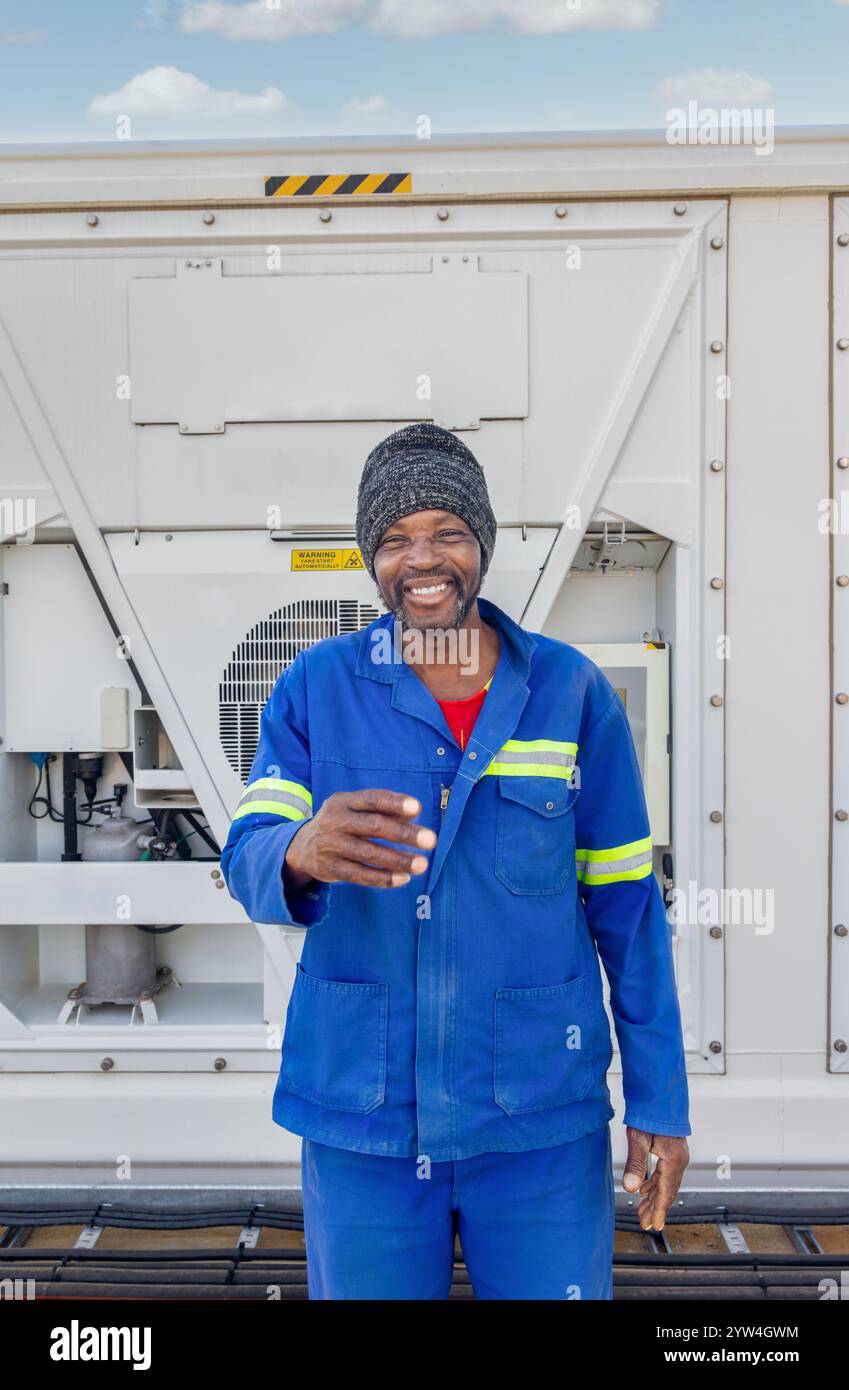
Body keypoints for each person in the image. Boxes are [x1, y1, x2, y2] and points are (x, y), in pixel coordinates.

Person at [221, 422, 691, 1300]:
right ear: (370, 558)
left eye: (446, 532)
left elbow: (627, 911)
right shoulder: (313, 689)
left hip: (536, 1117)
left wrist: (659, 1104)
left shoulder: (568, 691)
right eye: (394, 539)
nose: (420, 558)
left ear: (481, 545)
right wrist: (298, 849)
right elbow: (247, 852)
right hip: (366, 1119)